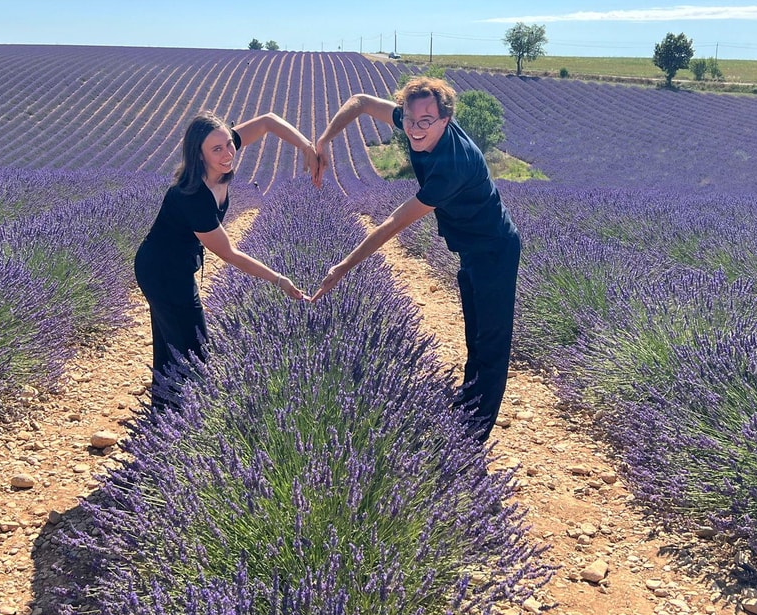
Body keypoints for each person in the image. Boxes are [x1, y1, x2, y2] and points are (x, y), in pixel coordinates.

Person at [309, 77, 522, 444]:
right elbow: (359, 102)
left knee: (491, 343)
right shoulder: (414, 124)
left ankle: (471, 438)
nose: (415, 128)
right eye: (409, 118)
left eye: (426, 120)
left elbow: (394, 222)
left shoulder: (452, 165)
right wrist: (324, 140)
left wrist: (344, 266)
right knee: (475, 333)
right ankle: (466, 408)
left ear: (446, 119)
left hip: (494, 250)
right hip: (470, 248)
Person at [135, 111, 313, 407]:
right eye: (217, 149)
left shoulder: (222, 150)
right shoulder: (192, 197)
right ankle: (184, 416)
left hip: (173, 266)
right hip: (162, 272)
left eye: (230, 144)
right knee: (194, 349)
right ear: (199, 155)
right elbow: (230, 253)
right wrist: (279, 279)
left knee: (172, 344)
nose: (228, 153)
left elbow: (268, 121)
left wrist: (306, 146)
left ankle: (164, 413)